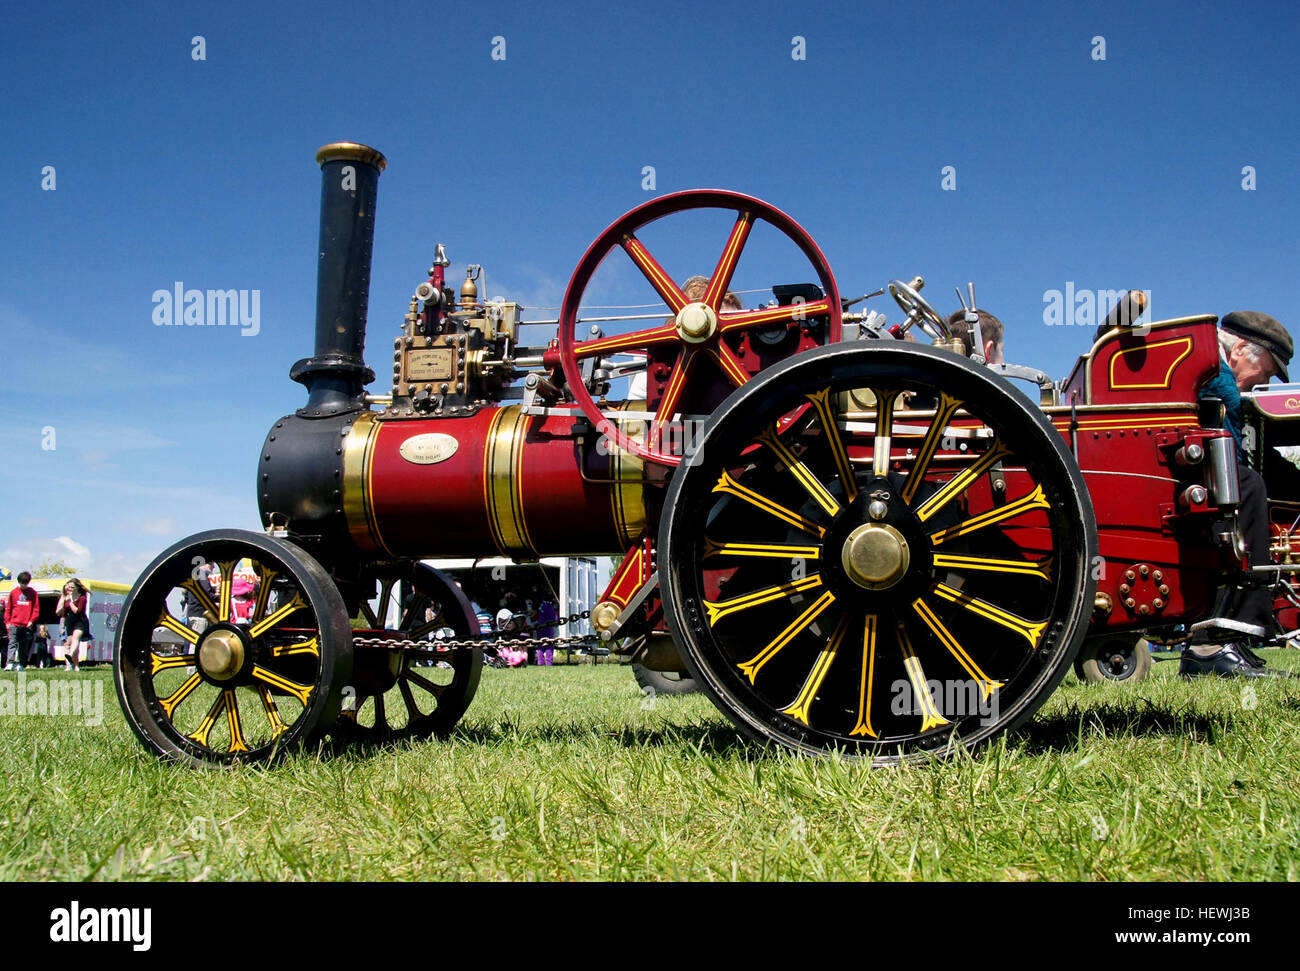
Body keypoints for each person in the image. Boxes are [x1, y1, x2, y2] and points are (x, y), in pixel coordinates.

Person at [1183, 311, 1295, 678]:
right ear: (1243, 348)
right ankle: (1216, 641)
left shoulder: (1199, 358)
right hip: (1182, 482)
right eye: (1265, 372)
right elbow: (1229, 455)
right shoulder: (1220, 377)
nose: (1259, 383)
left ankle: (1223, 641)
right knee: (1247, 485)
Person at [6, 571, 40, 671]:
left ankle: (20, 663)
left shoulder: (33, 593)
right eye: (22, 583)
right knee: (12, 643)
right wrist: (7, 622)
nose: (23, 585)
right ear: (19, 582)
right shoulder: (13, 592)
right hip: (14, 623)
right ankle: (10, 663)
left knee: (23, 645)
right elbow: (9, 608)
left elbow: (36, 609)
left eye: (25, 583)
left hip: (26, 624)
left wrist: (31, 620)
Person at [55, 577, 91, 671]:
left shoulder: (82, 597)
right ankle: (73, 665)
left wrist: (70, 601)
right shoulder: (66, 597)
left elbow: (77, 611)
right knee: (68, 643)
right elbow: (62, 613)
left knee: (76, 638)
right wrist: (62, 626)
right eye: (69, 587)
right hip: (70, 622)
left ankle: (70, 655)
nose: (69, 589)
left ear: (77, 588)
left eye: (72, 587)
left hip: (80, 621)